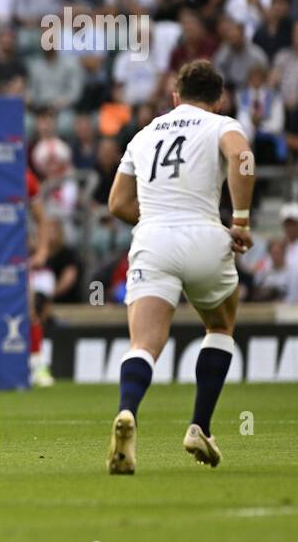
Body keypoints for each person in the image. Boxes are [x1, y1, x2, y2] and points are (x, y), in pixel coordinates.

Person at [105, 60, 254, 474]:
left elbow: (116, 203)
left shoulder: (144, 132)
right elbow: (241, 157)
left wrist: (158, 222)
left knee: (145, 345)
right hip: (207, 236)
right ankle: (199, 426)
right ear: (219, 99)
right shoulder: (221, 125)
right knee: (220, 327)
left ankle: (128, 412)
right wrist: (240, 221)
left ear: (175, 97)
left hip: (153, 238)